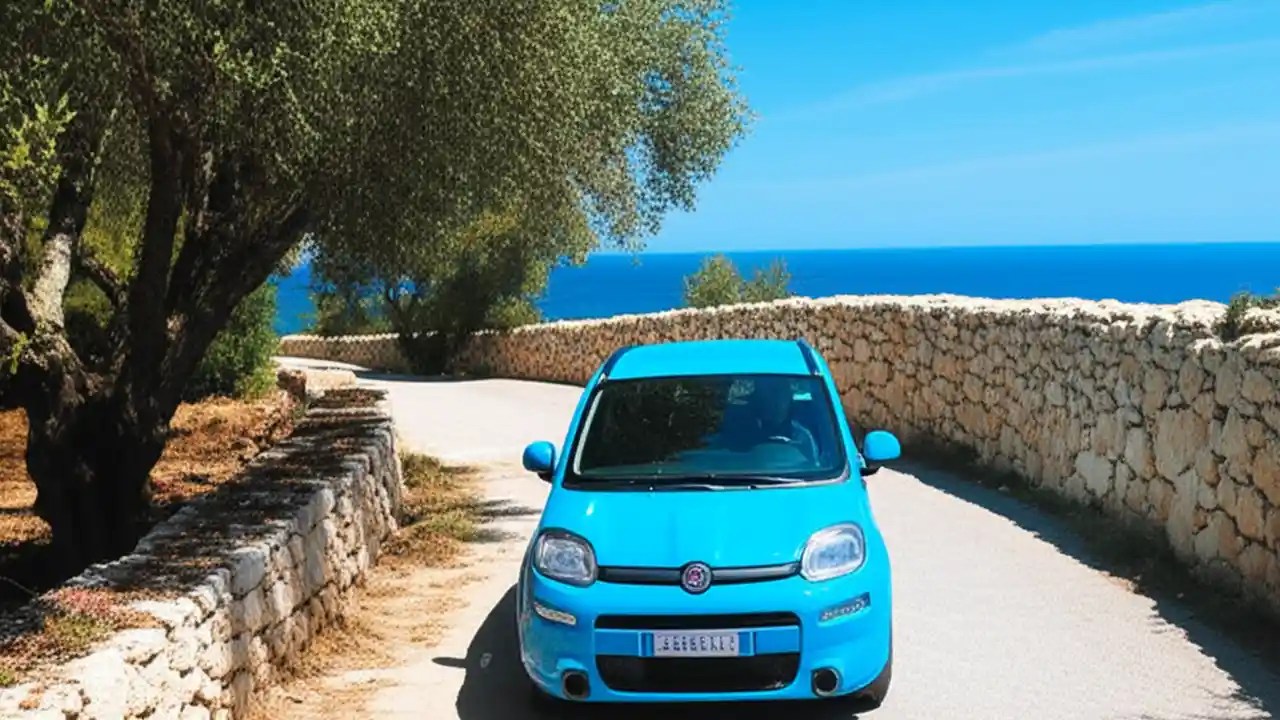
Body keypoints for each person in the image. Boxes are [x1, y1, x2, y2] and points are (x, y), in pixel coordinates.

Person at [744, 376, 819, 462]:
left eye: (778, 394)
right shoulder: (741, 433)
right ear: (757, 399)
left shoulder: (802, 438)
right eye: (767, 395)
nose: (774, 402)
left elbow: (814, 465)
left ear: (789, 398)